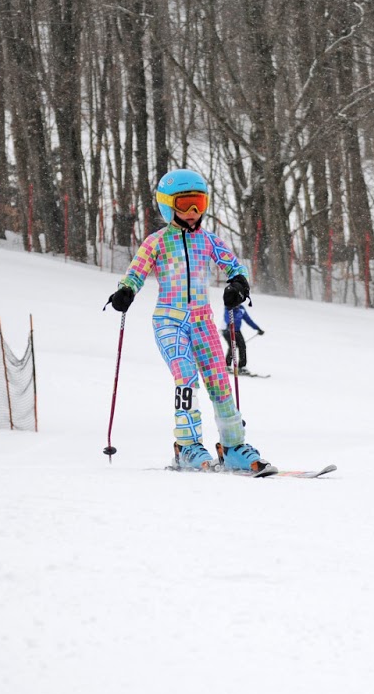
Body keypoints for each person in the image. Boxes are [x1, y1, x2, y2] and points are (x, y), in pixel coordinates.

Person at [106, 169, 268, 473]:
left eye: (199, 203)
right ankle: (187, 447)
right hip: (170, 320)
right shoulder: (157, 242)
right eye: (185, 204)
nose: (193, 212)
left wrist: (238, 284)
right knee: (186, 376)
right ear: (168, 206)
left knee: (219, 381)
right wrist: (125, 291)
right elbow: (136, 272)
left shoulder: (208, 241)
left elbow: (235, 266)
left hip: (202, 321)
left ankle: (232, 447)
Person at [222, 301, 264, 374]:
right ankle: (227, 366)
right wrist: (229, 323)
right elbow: (227, 318)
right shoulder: (229, 308)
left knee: (242, 346)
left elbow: (248, 320)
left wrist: (257, 328)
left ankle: (242, 367)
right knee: (233, 346)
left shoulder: (241, 309)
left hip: (237, 330)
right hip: (227, 330)